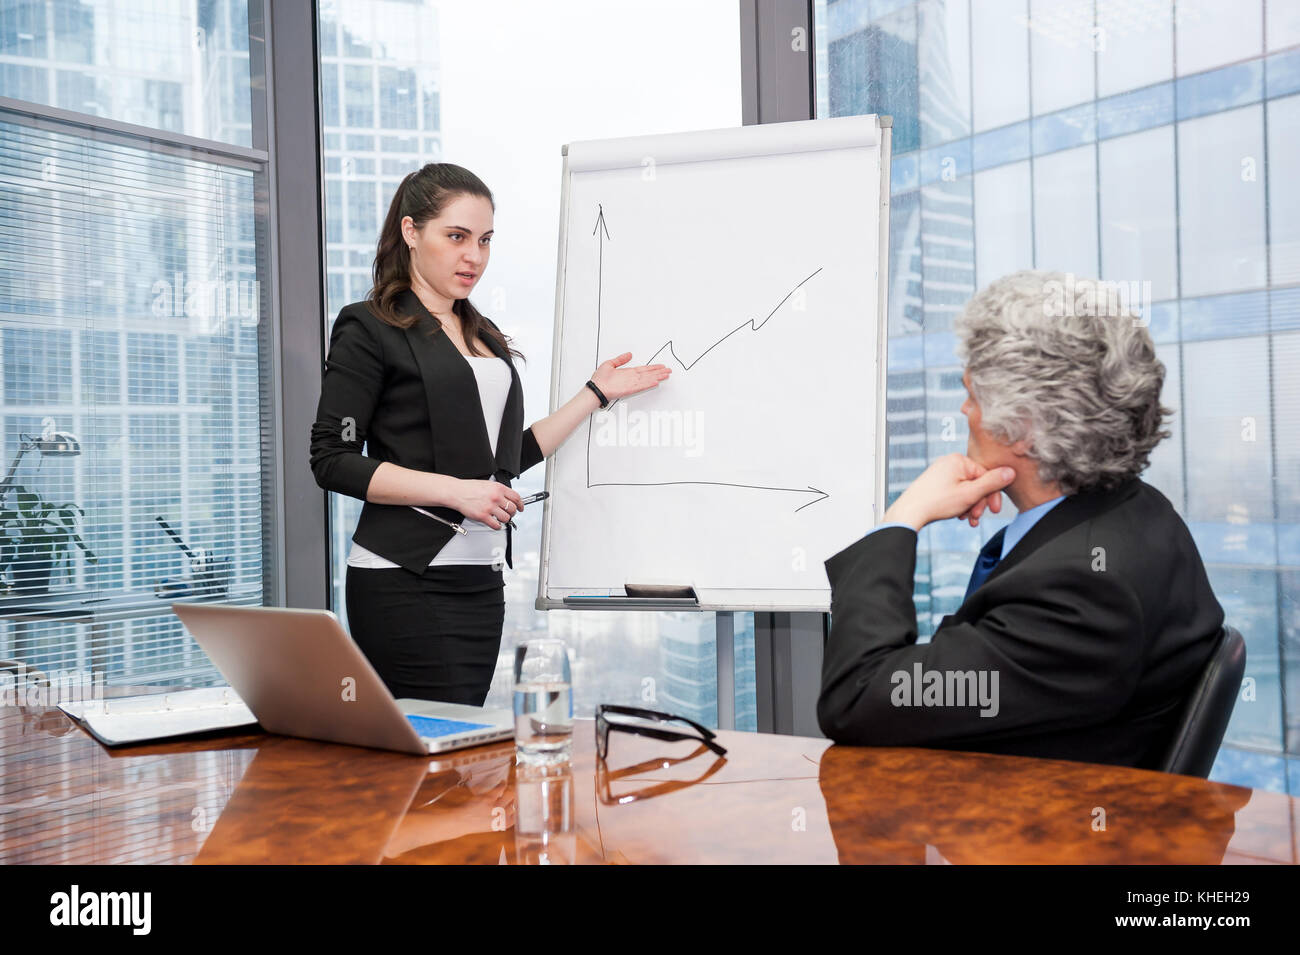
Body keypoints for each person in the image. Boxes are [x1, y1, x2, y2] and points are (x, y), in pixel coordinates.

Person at [817, 269, 1226, 769]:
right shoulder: (1138, 511)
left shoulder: (1083, 593)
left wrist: (903, 520)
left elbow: (858, 698)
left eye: (973, 393)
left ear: (1024, 430)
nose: (965, 410)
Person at [310, 163, 670, 706]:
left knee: (457, 755)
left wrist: (594, 393)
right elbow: (331, 459)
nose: (473, 256)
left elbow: (505, 459)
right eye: (455, 237)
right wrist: (458, 491)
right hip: (403, 579)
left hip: (479, 584)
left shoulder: (482, 334)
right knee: (428, 765)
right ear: (411, 232)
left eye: (484, 240)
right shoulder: (370, 327)